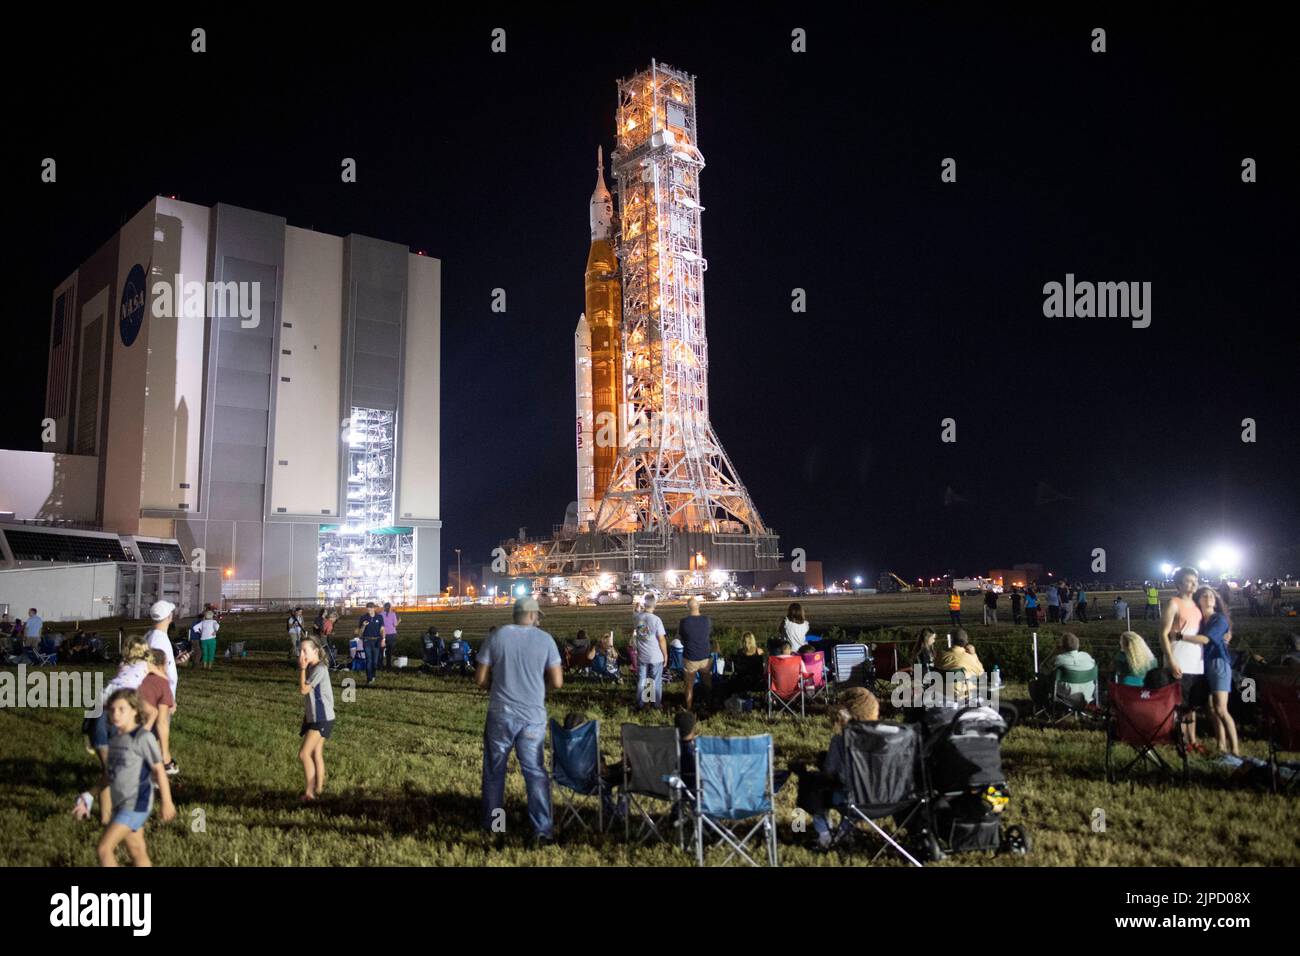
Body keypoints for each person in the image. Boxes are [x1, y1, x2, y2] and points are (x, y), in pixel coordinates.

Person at [475, 596, 563, 846]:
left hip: (500, 713)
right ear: (534, 616)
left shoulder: (497, 636)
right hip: (533, 717)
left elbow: (480, 679)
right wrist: (539, 690)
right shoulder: (545, 640)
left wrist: (497, 686)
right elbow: (557, 682)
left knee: (495, 771)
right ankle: (542, 830)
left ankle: (495, 825)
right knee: (535, 772)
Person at [73, 689, 176, 866]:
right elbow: (110, 775)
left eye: (122, 709)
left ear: (135, 710)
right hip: (121, 803)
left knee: (104, 849)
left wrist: (167, 802)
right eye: (112, 710)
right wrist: (89, 795)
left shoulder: (142, 738)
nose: (116, 714)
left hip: (136, 804)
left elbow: (159, 771)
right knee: (137, 850)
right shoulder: (115, 740)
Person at [800, 686, 880, 849]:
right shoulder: (888, 737)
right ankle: (844, 831)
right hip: (886, 798)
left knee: (812, 783)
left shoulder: (841, 739)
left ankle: (825, 835)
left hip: (851, 799)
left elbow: (830, 772)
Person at [84, 635, 152, 771]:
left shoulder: (123, 664)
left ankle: (91, 736)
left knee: (97, 714)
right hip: (126, 694)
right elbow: (161, 675)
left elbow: (119, 677)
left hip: (109, 690)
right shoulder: (147, 665)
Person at [1158, 567, 1204, 752]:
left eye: (1195, 581)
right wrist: (1170, 659)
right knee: (1179, 704)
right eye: (1188, 581)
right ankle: (1181, 740)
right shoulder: (1173, 603)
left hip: (1196, 662)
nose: (1193, 584)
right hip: (1179, 660)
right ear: (1179, 584)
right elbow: (1163, 633)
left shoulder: (1197, 606)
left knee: (1192, 705)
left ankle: (1193, 740)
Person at [1193, 586, 1240, 758]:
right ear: (1198, 600)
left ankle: (1235, 750)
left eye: (1211, 596)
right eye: (1204, 596)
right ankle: (1221, 745)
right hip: (1204, 665)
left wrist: (1179, 636)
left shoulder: (1218, 619)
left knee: (1221, 708)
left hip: (1218, 663)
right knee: (1211, 708)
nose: (1208, 598)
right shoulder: (1199, 622)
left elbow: (1206, 640)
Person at [298, 635, 334, 800]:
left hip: (322, 718)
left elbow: (304, 690)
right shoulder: (314, 668)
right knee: (315, 754)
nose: (302, 655)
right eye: (300, 651)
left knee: (304, 754)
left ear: (316, 651)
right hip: (317, 718)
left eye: (304, 651)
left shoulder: (319, 669)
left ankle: (310, 793)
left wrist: (302, 669)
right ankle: (318, 789)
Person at [1031, 632, 1097, 707]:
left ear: (1062, 647)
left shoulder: (1059, 659)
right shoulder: (1087, 657)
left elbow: (1042, 669)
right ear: (1078, 645)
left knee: (1035, 683)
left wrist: (1054, 652)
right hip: (1087, 697)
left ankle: (1045, 708)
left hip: (1066, 698)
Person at [137, 650, 177, 774]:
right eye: (168, 663)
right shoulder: (161, 683)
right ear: (161, 665)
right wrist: (166, 756)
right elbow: (162, 722)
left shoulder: (136, 677)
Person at [145, 602, 179, 743]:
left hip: (153, 695)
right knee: (157, 737)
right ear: (169, 617)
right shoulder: (159, 640)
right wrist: (168, 699)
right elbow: (153, 671)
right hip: (158, 697)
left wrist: (175, 662)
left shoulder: (151, 635)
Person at [632, 594, 668, 711]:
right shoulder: (656, 620)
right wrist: (665, 655)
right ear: (655, 605)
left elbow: (635, 612)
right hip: (656, 655)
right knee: (655, 680)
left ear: (645, 604)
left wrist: (637, 608)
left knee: (643, 679)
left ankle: (641, 703)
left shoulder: (637, 618)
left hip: (642, 655)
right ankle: (655, 704)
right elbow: (661, 639)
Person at [678, 596, 713, 711]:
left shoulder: (684, 622)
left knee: (689, 685)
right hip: (705, 657)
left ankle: (689, 707)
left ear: (687, 608)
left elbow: (682, 638)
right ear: (699, 606)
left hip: (690, 658)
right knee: (707, 682)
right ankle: (709, 703)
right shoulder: (707, 620)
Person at [355, 602, 384, 685]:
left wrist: (383, 639)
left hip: (376, 641)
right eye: (368, 608)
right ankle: (369, 678)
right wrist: (363, 626)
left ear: (374, 608)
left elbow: (382, 629)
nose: (369, 609)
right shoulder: (363, 617)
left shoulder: (379, 617)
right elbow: (360, 633)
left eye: (371, 608)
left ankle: (373, 675)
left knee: (375, 662)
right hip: (367, 640)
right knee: (369, 660)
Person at [381, 602, 401, 669]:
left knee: (381, 651)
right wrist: (399, 621)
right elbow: (395, 625)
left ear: (384, 607)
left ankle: (380, 665)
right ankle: (388, 666)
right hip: (392, 634)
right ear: (390, 607)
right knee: (389, 652)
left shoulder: (381, 614)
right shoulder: (393, 614)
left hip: (383, 634)